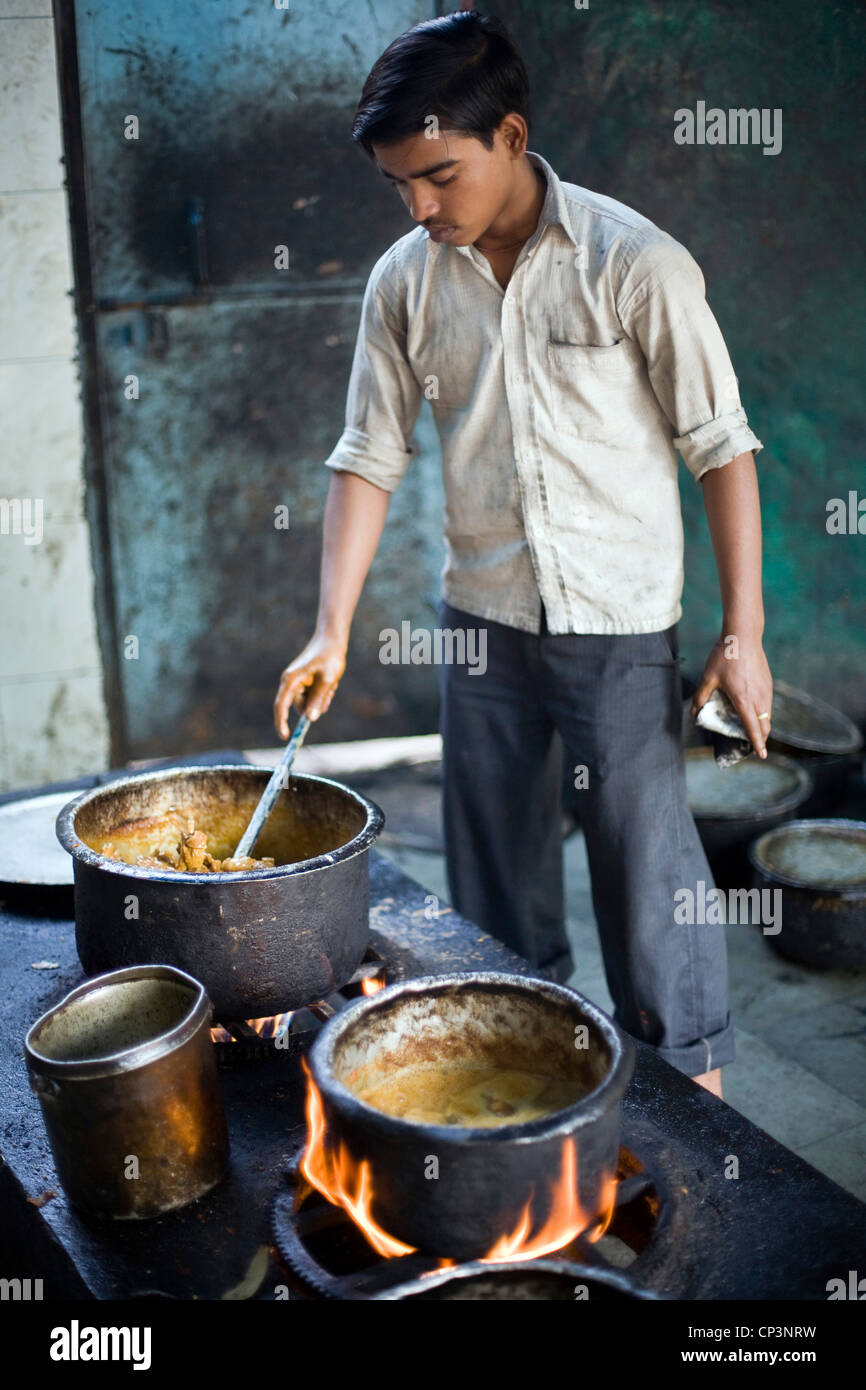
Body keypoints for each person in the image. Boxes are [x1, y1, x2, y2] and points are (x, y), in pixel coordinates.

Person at [273, 10, 773, 1099]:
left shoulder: (633, 264)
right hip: (484, 625)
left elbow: (721, 452)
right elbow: (367, 454)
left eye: (438, 176)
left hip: (620, 625)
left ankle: (700, 1116)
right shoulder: (404, 281)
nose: (418, 206)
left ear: (509, 135)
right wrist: (330, 629)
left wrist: (743, 636)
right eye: (398, 184)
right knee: (491, 893)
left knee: (646, 884)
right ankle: (520, 1113)